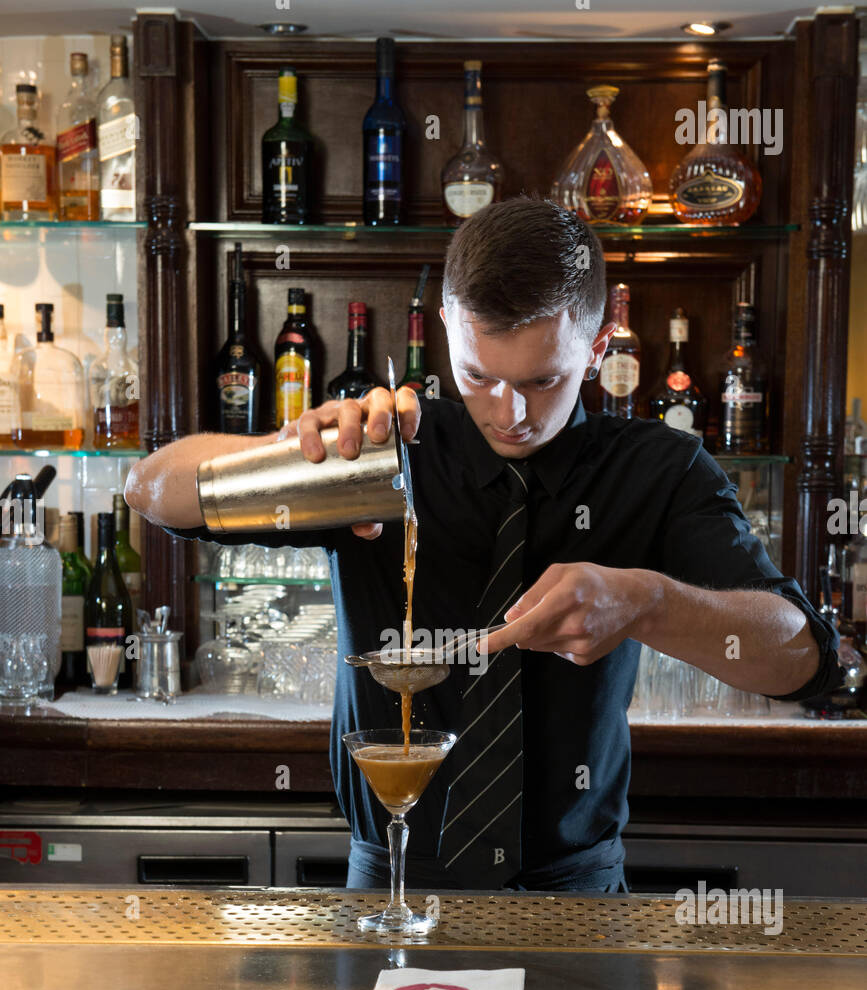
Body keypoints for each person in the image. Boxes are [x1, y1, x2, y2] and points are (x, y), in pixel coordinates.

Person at [125, 197, 841, 895]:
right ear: (446, 331)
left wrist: (646, 602)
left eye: (541, 380)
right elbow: (152, 491)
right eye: (477, 376)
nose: (509, 413)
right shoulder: (381, 452)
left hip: (575, 898)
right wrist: (290, 451)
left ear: (595, 349)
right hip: (392, 887)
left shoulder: (660, 469)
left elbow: (803, 660)